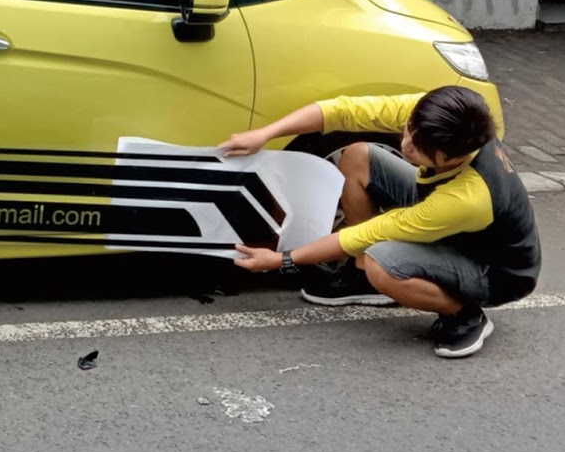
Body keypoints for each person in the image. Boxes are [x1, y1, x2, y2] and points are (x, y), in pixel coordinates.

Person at [221, 86, 540, 358]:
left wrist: (281, 260)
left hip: (494, 271)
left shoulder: (468, 198)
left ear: (453, 157)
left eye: (421, 148)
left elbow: (366, 234)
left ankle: (464, 315)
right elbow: (340, 111)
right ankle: (361, 280)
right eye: (409, 130)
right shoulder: (438, 118)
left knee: (379, 260)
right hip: (450, 222)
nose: (407, 144)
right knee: (358, 156)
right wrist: (266, 133)